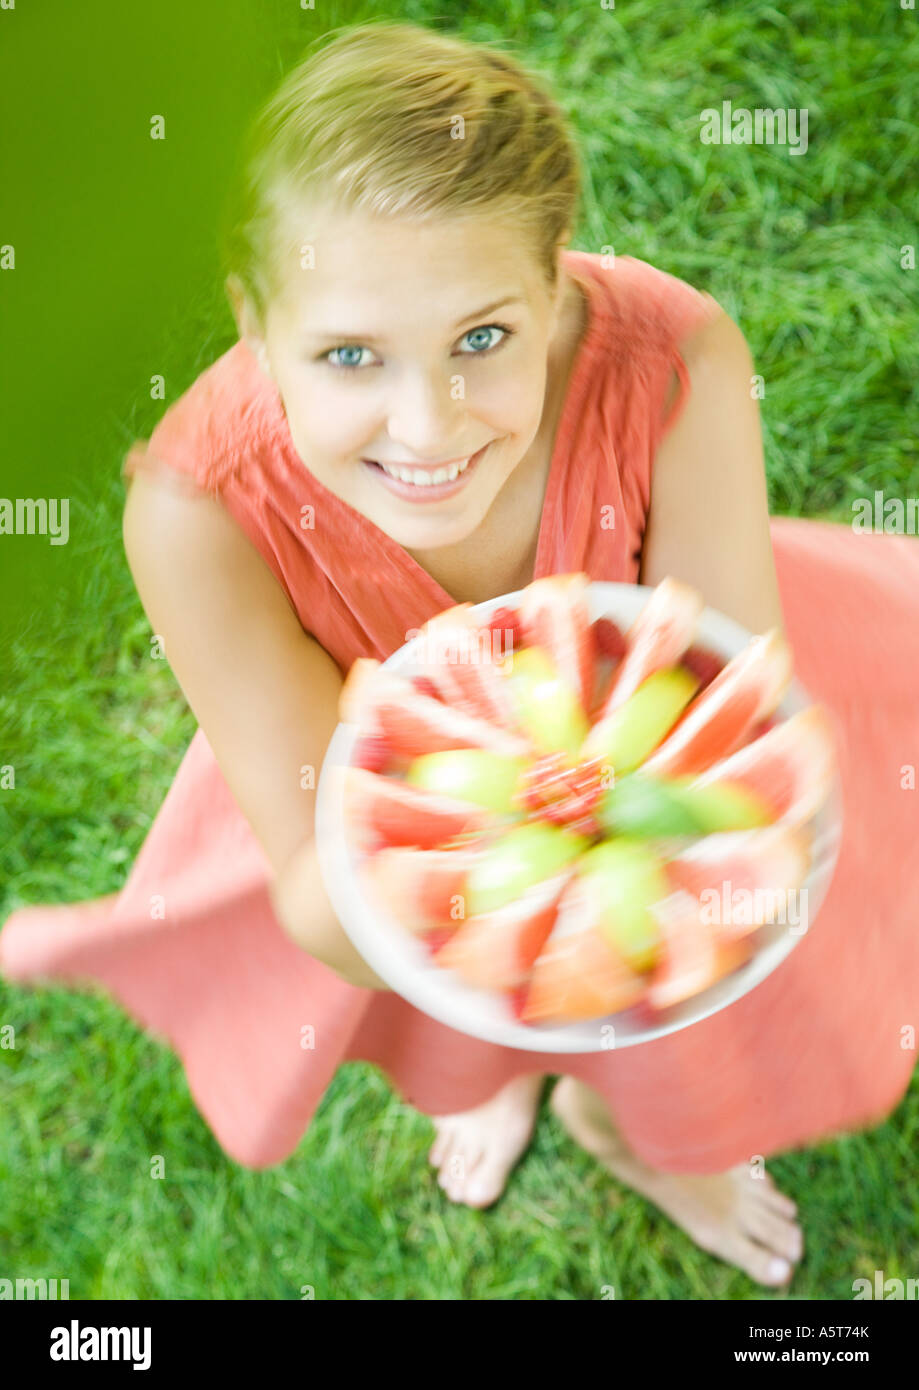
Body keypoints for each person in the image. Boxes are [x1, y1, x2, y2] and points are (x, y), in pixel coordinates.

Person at [3, 19, 918, 1291]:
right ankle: (501, 1078)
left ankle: (622, 1124)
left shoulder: (673, 355)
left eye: (483, 338)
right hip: (385, 831)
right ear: (253, 319)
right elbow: (328, 908)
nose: (428, 426)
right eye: (348, 356)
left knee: (651, 991)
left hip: (646, 754)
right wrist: (426, 788)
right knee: (466, 1023)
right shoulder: (194, 510)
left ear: (555, 281)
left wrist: (621, 837)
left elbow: (727, 701)